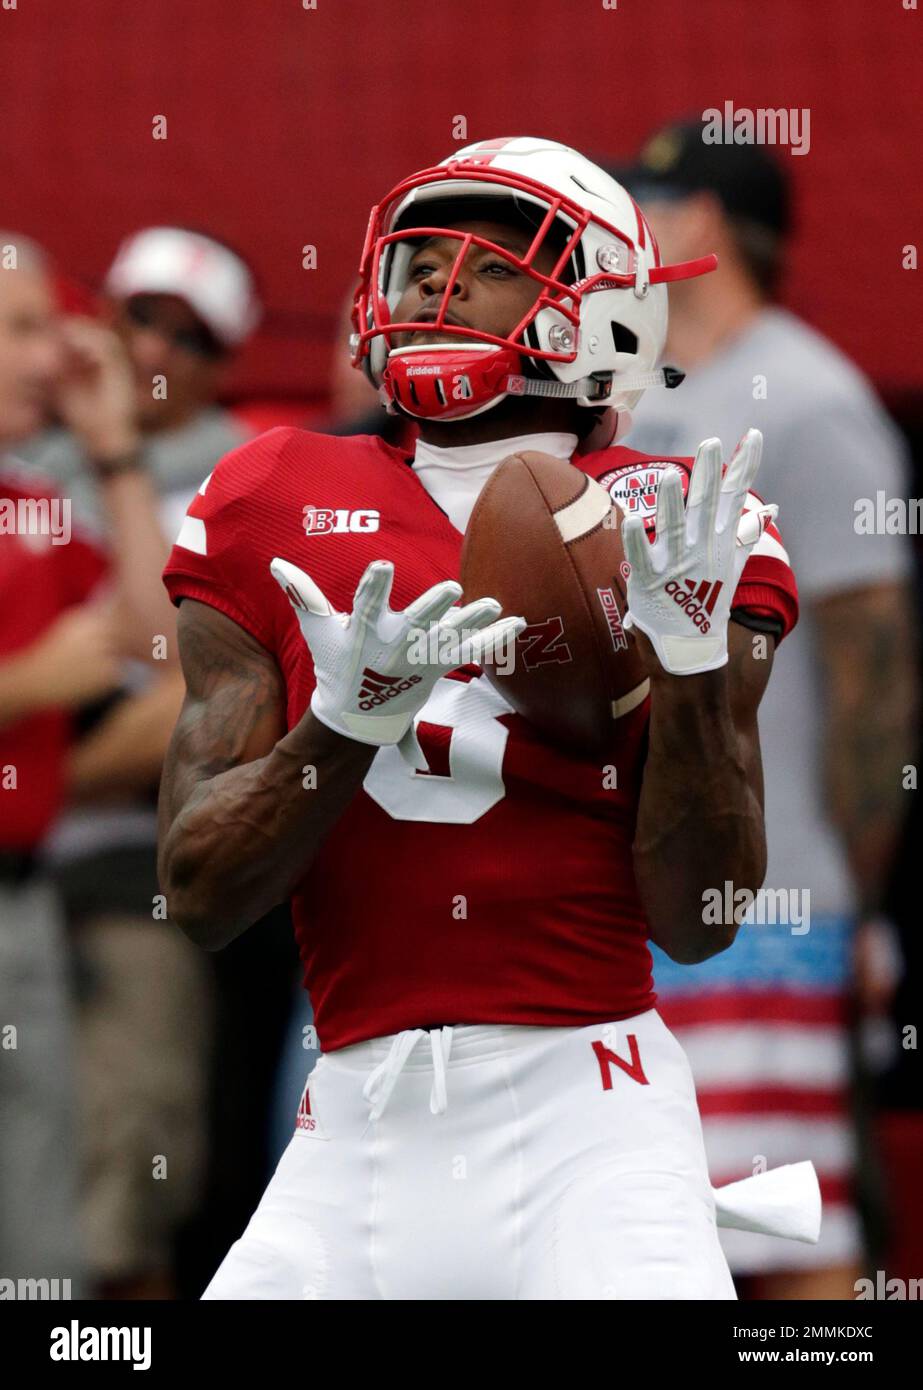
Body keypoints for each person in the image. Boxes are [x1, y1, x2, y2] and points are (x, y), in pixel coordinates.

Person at [158, 137, 808, 1301]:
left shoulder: (683, 516)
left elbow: (699, 915)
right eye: (417, 259)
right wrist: (344, 727)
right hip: (349, 1114)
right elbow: (200, 893)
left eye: (493, 261)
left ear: (602, 308)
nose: (431, 284)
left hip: (590, 1119)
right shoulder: (269, 493)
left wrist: (691, 654)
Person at [618, 121, 918, 1298]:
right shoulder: (642, 393)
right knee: (653, 1240)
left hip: (768, 900)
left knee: (786, 1242)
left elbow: (873, 686)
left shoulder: (809, 399)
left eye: (642, 201)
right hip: (645, 892)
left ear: (695, 223)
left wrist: (856, 909)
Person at [13, 227, 262, 1298]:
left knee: (96, 1226)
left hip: (104, 870)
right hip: (43, 858)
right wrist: (30, 691)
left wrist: (112, 451)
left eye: (188, 334)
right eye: (136, 318)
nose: (153, 346)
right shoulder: (30, 476)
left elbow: (172, 677)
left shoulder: (241, 474)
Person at [0, 231, 166, 1291]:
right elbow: (58, 672)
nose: (51, 356)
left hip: (24, 901)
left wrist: (113, 448)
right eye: (21, 331)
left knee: (38, 1252)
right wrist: (24, 685)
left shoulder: (31, 504)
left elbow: (159, 639)